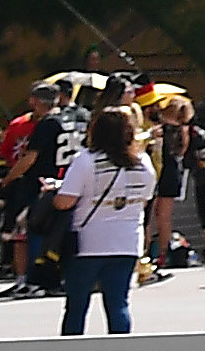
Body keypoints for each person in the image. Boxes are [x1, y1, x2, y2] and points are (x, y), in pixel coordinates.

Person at [51, 103, 158, 334]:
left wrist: (51, 193)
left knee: (77, 305)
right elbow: (145, 199)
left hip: (88, 242)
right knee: (118, 303)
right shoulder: (143, 164)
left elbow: (65, 202)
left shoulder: (86, 160)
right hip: (127, 242)